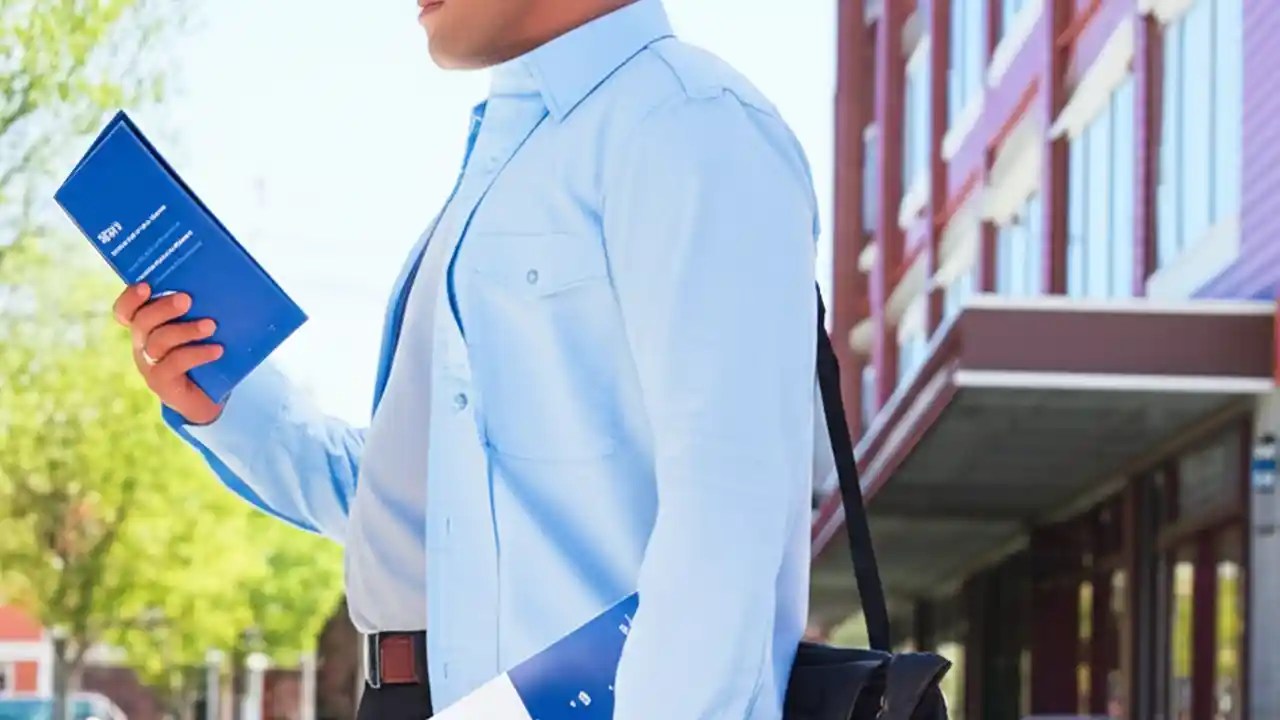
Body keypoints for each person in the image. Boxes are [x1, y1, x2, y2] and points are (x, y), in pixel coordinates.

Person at [113, 0, 820, 717]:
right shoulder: (516, 160)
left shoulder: (689, 123)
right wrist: (228, 401)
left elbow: (729, 506)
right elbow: (421, 505)